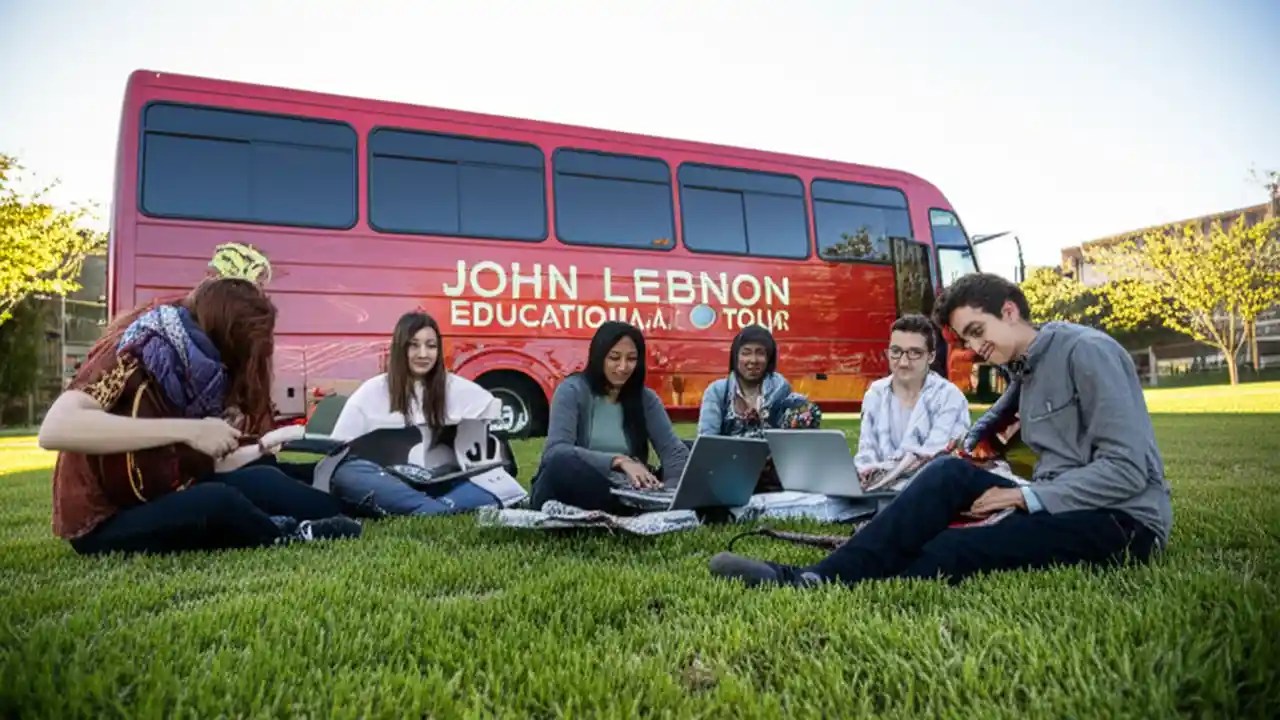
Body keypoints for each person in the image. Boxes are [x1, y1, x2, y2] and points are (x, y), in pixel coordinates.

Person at [708, 272, 1172, 587]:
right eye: (964, 338)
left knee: (952, 548)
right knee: (948, 474)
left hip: (1122, 521)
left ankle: (824, 580)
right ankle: (817, 576)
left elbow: (1128, 470)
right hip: (1058, 503)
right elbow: (984, 439)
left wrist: (1021, 497)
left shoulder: (1087, 352)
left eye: (976, 330)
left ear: (1009, 311)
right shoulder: (1024, 369)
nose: (973, 346)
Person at [38, 277, 362, 555]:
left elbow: (195, 463)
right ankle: (285, 533)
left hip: (163, 489)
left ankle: (361, 493)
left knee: (267, 476)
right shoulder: (131, 350)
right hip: (107, 517)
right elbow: (55, 429)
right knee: (218, 502)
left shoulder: (198, 371)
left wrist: (258, 446)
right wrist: (188, 430)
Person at [323, 311, 502, 515]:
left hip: (443, 479)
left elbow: (489, 431)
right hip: (387, 482)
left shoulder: (458, 389)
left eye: (431, 346)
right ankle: (437, 509)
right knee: (348, 475)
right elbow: (336, 456)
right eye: (414, 345)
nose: (423, 354)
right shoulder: (371, 391)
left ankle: (425, 507)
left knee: (489, 481)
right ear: (400, 349)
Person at [529, 321, 689, 513]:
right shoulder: (572, 390)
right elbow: (556, 451)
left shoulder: (645, 398)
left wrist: (671, 493)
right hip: (577, 481)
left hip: (627, 488)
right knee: (561, 464)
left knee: (692, 451)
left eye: (631, 359)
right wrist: (619, 461)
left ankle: (649, 505)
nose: (623, 367)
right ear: (599, 357)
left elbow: (674, 452)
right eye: (614, 358)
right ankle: (626, 508)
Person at [853, 314, 971, 488]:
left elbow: (931, 459)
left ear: (931, 357)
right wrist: (865, 473)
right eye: (896, 351)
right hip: (877, 491)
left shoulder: (949, 396)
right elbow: (866, 453)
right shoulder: (875, 393)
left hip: (930, 490)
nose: (903, 362)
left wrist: (881, 474)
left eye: (914, 353)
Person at [697, 325, 820, 439]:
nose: (753, 360)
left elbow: (790, 440)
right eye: (746, 353)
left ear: (769, 359)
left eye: (760, 353)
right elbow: (707, 440)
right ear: (735, 357)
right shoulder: (717, 391)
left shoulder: (781, 389)